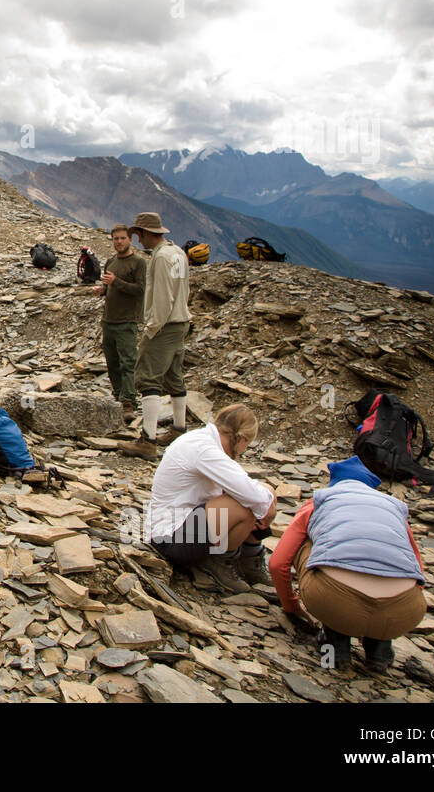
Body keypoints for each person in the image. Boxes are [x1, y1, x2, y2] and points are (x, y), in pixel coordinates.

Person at [269, 456, 427, 673]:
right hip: (404, 613)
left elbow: (278, 563)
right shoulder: (395, 508)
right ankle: (379, 642)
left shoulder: (320, 501)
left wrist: (292, 607)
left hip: (337, 604)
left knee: (306, 542)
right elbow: (418, 568)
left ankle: (335, 637)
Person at [145, 403, 276, 593]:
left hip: (179, 526)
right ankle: (220, 561)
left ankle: (249, 561)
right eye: (246, 445)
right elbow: (253, 496)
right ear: (241, 438)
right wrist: (267, 503)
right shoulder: (204, 450)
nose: (243, 451)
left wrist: (267, 497)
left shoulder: (204, 441)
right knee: (246, 509)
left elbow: (246, 488)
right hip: (170, 538)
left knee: (262, 494)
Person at [119, 211, 190, 460]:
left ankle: (147, 440)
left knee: (148, 377)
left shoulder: (160, 258)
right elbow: (183, 289)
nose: (139, 240)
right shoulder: (178, 252)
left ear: (148, 233)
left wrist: (151, 328)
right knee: (173, 374)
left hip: (164, 324)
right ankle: (179, 429)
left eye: (139, 235)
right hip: (181, 321)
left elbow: (162, 296)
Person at [91, 223, 145, 425]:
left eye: (123, 238)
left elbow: (140, 289)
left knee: (127, 361)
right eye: (116, 239)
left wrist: (116, 282)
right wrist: (102, 290)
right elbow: (109, 287)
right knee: (112, 361)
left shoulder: (138, 263)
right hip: (109, 319)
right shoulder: (111, 261)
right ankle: (119, 396)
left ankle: (129, 402)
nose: (119, 242)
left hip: (127, 320)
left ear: (130, 240)